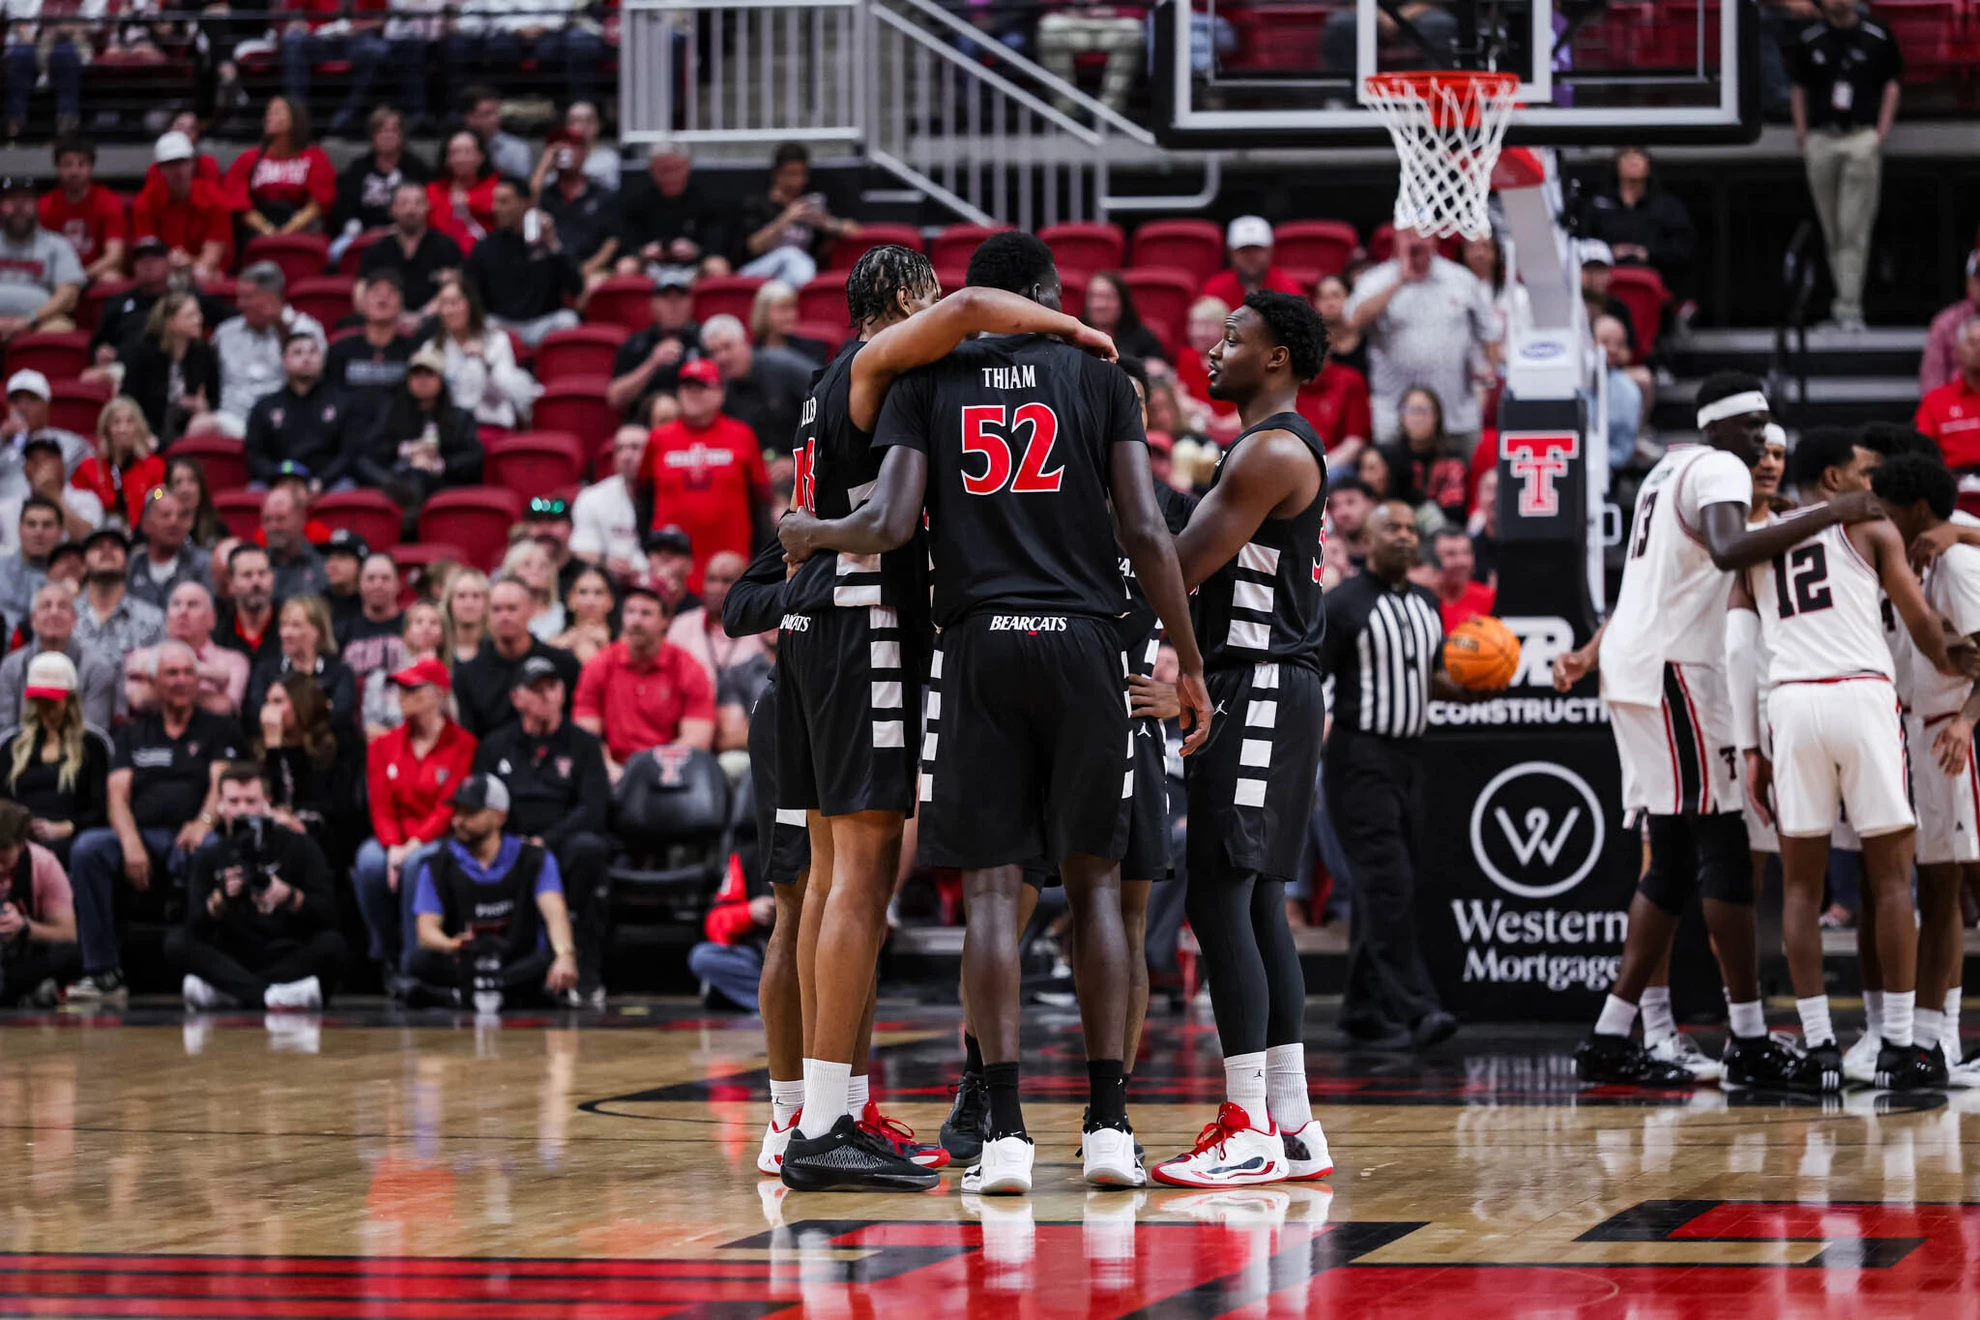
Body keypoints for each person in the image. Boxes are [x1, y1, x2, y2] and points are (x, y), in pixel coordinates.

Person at [775, 231, 1207, 1194]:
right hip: (1085, 643)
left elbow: (893, 522)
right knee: (1099, 890)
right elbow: (1146, 528)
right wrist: (1188, 660)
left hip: (971, 644)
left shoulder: (925, 381)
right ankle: (1108, 1126)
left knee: (982, 896)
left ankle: (999, 1132)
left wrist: (807, 533)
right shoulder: (1102, 376)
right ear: (1047, 297)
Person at [1554, 374, 1890, 1087]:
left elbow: (1669, 575)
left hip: (1647, 667)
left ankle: (1621, 1033)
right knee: (1717, 851)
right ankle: (1740, 1036)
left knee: (1676, 856)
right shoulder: (1718, 467)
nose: (1765, 442)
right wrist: (1836, 512)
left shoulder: (1666, 469)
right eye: (1756, 425)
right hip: (1678, 671)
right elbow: (1730, 549)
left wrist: (1591, 650)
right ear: (1725, 425)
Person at [1731, 435, 1953, 1093]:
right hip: (1861, 694)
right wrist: (1953, 661)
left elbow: (1740, 648)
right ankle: (1901, 1047)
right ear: (1833, 478)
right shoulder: (1871, 529)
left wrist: (1751, 744)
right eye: (1864, 473)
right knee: (1891, 880)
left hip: (1792, 703)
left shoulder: (1756, 541)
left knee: (1801, 887)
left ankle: (1821, 1049)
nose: (1872, 484)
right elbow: (1919, 622)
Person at [1872, 451, 1980, 1084]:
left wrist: (1966, 721)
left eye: (1887, 508)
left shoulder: (1959, 562)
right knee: (1940, 892)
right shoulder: (1919, 561)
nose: (1879, 519)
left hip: (1962, 736)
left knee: (1968, 887)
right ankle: (1933, 1042)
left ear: (1915, 509)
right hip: (1929, 734)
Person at [67, 641, 239, 1004]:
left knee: (210, 849)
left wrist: (204, 821)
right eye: (171, 673)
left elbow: (220, 783)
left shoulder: (218, 728)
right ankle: (102, 972)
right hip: (142, 833)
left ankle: (207, 971)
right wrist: (131, 843)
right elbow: (117, 796)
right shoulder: (133, 734)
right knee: (87, 849)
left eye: (188, 673)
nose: (181, 681)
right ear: (154, 683)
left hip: (190, 833)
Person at [473, 656, 611, 1003]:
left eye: (552, 686)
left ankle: (586, 970)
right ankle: (490, 968)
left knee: (589, 850)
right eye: (536, 689)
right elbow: (481, 802)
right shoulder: (496, 746)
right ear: (517, 698)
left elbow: (594, 808)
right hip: (508, 844)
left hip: (563, 842)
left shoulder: (584, 744)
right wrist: (510, 841)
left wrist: (546, 841)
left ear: (563, 693)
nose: (546, 695)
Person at [167, 761, 345, 1011]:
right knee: (176, 942)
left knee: (332, 945)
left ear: (267, 803)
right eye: (234, 801)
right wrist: (219, 900)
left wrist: (289, 897)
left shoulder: (300, 847)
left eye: (251, 801)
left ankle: (231, 993)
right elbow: (194, 924)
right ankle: (270, 996)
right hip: (233, 954)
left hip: (285, 951)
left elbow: (328, 914)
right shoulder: (211, 855)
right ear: (221, 805)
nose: (242, 810)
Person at [403, 771, 579, 1010]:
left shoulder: (534, 859)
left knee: (548, 958)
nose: (458, 821)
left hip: (514, 957)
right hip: (465, 959)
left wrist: (565, 955)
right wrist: (452, 944)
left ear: (499, 816)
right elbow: (426, 931)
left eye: (470, 812)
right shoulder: (437, 863)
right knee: (417, 961)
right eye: (457, 812)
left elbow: (555, 913)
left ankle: (464, 994)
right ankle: (500, 989)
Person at [352, 657, 476, 978]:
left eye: (412, 689)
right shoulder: (383, 745)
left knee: (418, 864)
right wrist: (393, 845)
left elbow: (449, 806)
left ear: (438, 694)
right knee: (369, 861)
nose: (403, 696)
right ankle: (385, 953)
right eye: (401, 689)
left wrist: (413, 846)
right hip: (395, 838)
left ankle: (414, 961)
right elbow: (381, 805)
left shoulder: (464, 745)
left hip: (441, 837)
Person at [1791, 0, 1902, 331]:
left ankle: (1849, 309)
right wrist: (1803, 134)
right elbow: (1798, 87)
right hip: (1822, 139)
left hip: (1860, 138)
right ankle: (1841, 304)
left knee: (1853, 227)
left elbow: (1892, 82)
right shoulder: (1809, 37)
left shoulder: (1877, 34)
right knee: (1831, 229)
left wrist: (1880, 132)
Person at [1345, 227, 1502, 447]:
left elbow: (1489, 334)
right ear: (1397, 239)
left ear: (1435, 239)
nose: (1417, 241)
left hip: (1456, 416)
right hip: (1394, 416)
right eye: (1409, 235)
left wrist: (1486, 379)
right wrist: (1400, 280)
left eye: (1424, 233)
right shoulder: (1376, 279)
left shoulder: (1461, 279)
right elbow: (1353, 320)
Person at [632, 358, 771, 593]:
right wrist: (650, 549)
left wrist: (759, 559)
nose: (692, 393)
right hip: (671, 570)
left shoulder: (742, 436)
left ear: (719, 394)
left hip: (729, 569)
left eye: (702, 387)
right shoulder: (659, 438)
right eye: (687, 387)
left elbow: (761, 502)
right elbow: (643, 499)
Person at [0, 650, 110, 865]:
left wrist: (68, 827)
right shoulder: (12, 745)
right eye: (39, 700)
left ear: (70, 699)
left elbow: (101, 808)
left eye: (52, 700)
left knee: (77, 850)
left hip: (70, 837)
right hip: (17, 835)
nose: (46, 707)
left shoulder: (93, 745)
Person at [207, 265, 328, 440]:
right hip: (230, 420)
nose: (239, 304)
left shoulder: (306, 331)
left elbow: (313, 380)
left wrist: (281, 331)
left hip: (283, 421)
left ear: (270, 298)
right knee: (201, 426)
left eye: (247, 297)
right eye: (239, 297)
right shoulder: (225, 333)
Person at [454, 578, 581, 739]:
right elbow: (468, 736)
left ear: (531, 610)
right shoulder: (468, 674)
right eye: (496, 609)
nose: (504, 616)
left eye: (512, 609)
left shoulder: (564, 665)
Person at [466, 177, 582, 349]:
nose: (496, 208)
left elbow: (576, 287)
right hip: (503, 326)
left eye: (504, 202)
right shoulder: (485, 247)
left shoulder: (549, 240)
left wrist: (552, 244)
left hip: (542, 324)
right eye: (495, 202)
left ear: (525, 203)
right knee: (482, 324)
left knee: (568, 320)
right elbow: (474, 298)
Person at [1581, 146, 1697, 301]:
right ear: (1616, 165)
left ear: (1649, 166)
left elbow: (1684, 249)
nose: (1633, 160)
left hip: (1656, 290)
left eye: (1639, 155)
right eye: (1626, 155)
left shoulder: (1667, 206)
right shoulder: (1598, 205)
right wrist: (1609, 252)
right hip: (1605, 290)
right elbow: (1582, 243)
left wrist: (1647, 253)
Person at [243, 334, 356, 493]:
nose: (306, 358)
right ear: (284, 361)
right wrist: (278, 479)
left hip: (326, 482)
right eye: (298, 353)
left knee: (346, 489)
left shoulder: (343, 402)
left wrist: (321, 482)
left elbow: (348, 454)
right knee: (255, 491)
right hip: (278, 481)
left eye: (313, 352)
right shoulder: (265, 406)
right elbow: (255, 455)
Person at [735, 143, 859, 287]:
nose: (797, 180)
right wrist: (785, 219)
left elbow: (853, 230)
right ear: (777, 174)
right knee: (791, 255)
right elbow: (752, 247)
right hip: (759, 270)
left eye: (802, 174)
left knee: (798, 263)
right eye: (792, 174)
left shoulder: (808, 207)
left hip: (794, 275)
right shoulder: (758, 204)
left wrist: (826, 223)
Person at [0, 584, 118, 731]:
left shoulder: (98, 668)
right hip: (21, 745)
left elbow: (94, 733)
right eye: (46, 606)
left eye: (62, 606)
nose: (54, 612)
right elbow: (4, 732)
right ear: (33, 621)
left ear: (74, 620)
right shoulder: (11, 666)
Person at [126, 582, 250, 717]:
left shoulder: (233, 661)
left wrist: (161, 682)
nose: (183, 611)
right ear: (167, 618)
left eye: (193, 604)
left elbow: (225, 708)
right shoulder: (139, 657)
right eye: (176, 604)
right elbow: (139, 700)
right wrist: (204, 677)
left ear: (212, 619)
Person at [431, 275, 538, 431]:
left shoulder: (497, 341)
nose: (449, 311)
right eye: (443, 304)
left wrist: (486, 362)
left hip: (491, 422)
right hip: (451, 429)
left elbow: (507, 394)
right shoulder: (432, 348)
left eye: (454, 303)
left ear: (470, 303)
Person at [0, 799, 79, 1006]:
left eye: (4, 859)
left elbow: (68, 934)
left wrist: (24, 927)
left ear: (21, 845)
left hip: (22, 957)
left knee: (73, 954)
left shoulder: (43, 863)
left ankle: (16, 989)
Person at [223, 96, 337, 240]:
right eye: (269, 113)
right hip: (258, 230)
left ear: (295, 118)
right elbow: (238, 202)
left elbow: (318, 204)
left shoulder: (315, 157)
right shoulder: (248, 158)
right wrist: (267, 230)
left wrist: (289, 230)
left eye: (277, 112)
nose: (269, 117)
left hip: (301, 229)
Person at [702, 314, 814, 459]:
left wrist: (797, 460)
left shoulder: (785, 367)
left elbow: (827, 410)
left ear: (745, 342)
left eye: (727, 347)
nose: (721, 358)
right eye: (713, 352)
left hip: (804, 460)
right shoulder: (717, 389)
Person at [254, 670, 347, 844]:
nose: (268, 711)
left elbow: (331, 807)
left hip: (320, 835)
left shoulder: (332, 747)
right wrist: (273, 748)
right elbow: (273, 799)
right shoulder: (261, 749)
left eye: (278, 702)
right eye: (267, 702)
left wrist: (295, 822)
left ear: (301, 703)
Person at [131, 132, 231, 290]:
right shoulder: (145, 202)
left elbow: (211, 257)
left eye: (182, 162)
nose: (178, 170)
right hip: (162, 272)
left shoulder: (215, 199)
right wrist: (171, 263)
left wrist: (188, 262)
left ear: (193, 163)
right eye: (170, 164)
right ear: (160, 169)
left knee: (203, 274)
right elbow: (149, 255)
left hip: (201, 271)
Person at [326, 272, 418, 441]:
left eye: (391, 292)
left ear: (400, 305)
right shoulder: (340, 350)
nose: (383, 298)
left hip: (399, 437)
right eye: (376, 292)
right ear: (363, 304)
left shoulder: (414, 351)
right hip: (348, 436)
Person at [358, 183, 465, 322]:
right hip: (386, 321)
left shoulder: (446, 246)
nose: (411, 209)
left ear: (427, 206)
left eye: (417, 203)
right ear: (392, 209)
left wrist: (420, 317)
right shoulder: (376, 250)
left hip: (436, 321)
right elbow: (361, 291)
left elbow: (456, 287)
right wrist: (392, 317)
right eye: (404, 203)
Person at [245, 594, 356, 726]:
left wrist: (283, 711)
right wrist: (321, 707)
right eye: (283, 625)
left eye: (295, 626)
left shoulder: (339, 673)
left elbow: (340, 716)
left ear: (317, 630)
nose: (286, 633)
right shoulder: (266, 671)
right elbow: (257, 713)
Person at [332, 108, 431, 246]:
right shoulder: (358, 169)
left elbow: (426, 207)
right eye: (382, 130)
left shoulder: (416, 168)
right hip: (363, 235)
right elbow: (345, 209)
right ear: (372, 136)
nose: (388, 135)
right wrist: (363, 232)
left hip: (407, 234)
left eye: (393, 130)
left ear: (402, 135)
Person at [606, 273, 701, 416]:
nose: (673, 305)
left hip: (696, 417)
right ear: (653, 305)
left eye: (679, 298)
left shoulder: (704, 340)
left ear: (691, 304)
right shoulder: (636, 344)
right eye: (666, 299)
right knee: (662, 409)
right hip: (643, 420)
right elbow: (615, 398)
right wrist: (653, 363)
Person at [665, 550, 761, 690]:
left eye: (727, 581)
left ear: (745, 586)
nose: (717, 589)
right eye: (711, 579)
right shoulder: (681, 626)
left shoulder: (760, 629)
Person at [0, 177, 80, 343]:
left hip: (40, 321)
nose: (19, 207)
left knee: (60, 328)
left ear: (37, 206)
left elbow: (68, 295)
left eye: (26, 200)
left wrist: (28, 321)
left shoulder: (57, 244)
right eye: (11, 200)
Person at [534, 142, 622, 292]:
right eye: (559, 150)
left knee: (592, 284)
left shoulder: (603, 195)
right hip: (552, 268)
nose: (566, 154)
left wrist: (585, 269)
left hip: (592, 269)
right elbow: (525, 206)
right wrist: (543, 167)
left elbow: (613, 241)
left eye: (572, 147)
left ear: (585, 153)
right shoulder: (545, 195)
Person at [39, 136, 127, 285]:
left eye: (81, 164)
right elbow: (38, 254)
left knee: (112, 278)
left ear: (91, 168)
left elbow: (114, 256)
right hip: (56, 276)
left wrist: (79, 276)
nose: (74, 171)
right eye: (67, 165)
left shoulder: (108, 201)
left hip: (93, 273)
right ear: (57, 168)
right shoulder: (44, 206)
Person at [72, 399, 165, 531]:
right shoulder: (87, 468)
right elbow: (76, 503)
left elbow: (160, 495)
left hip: (143, 533)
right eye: (116, 422)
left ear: (138, 427)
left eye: (129, 422)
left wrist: (152, 497)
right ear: (106, 429)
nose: (123, 429)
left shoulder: (154, 465)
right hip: (96, 533)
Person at [73, 527, 165, 659]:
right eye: (97, 546)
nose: (107, 551)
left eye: (115, 546)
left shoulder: (153, 620)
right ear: (83, 565)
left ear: (127, 563)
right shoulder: (65, 617)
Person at [1036, 0, 1143, 113]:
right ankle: (1066, 109)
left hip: (1111, 23)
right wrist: (1065, 10)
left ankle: (1109, 111)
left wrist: (1114, 11)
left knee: (1132, 27)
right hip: (1071, 23)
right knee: (1050, 25)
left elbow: (1141, 8)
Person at [362, 600, 448, 740]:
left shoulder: (451, 676)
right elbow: (371, 731)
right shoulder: (381, 678)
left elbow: (451, 728)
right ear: (406, 633)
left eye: (433, 623)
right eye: (418, 622)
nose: (426, 627)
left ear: (443, 635)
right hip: (390, 751)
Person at [570, 425, 646, 579]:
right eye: (619, 449)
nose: (625, 456)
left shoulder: (673, 496)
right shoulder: (592, 497)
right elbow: (581, 549)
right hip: (609, 581)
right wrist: (605, 563)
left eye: (635, 448)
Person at [127, 486, 213, 612]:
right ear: (146, 524)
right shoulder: (131, 566)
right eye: (165, 515)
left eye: (181, 516)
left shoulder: (203, 564)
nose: (174, 522)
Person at [1917, 318, 1980, 472]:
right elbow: (1919, 452)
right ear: (1956, 352)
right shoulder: (1936, 401)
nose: (1979, 349)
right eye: (1972, 343)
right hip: (1953, 480)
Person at [1201, 216, 1304, 308]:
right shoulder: (1214, 291)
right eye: (1244, 251)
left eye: (1257, 250)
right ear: (1231, 252)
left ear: (1270, 250)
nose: (1251, 257)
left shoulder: (1289, 290)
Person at [425, 131, 499, 255]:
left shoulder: (497, 187)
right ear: (447, 160)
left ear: (481, 157)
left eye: (468, 152)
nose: (461, 159)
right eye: (455, 153)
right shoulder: (433, 190)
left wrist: (469, 201)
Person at [336, 553, 406, 684]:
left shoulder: (412, 626)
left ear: (398, 585)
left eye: (385, 578)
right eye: (370, 578)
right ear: (359, 585)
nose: (378, 585)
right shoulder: (342, 632)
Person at [0, 496, 63, 630]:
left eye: (47, 525)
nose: (38, 532)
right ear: (19, 529)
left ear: (60, 532)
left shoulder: (71, 576)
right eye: (31, 524)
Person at [215, 543, 282, 668]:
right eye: (247, 575)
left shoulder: (289, 627)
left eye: (262, 573)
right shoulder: (218, 635)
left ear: (272, 578)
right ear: (231, 582)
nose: (256, 582)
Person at [1923, 254, 1980, 397]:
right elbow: (1932, 383)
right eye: (1979, 280)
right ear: (1969, 282)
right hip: (1956, 404)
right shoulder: (1946, 322)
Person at [1082, 271, 1167, 365]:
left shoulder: (1145, 340)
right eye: (1094, 297)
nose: (1100, 305)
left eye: (1108, 297)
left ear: (1122, 302)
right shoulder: (1075, 337)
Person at [460, 87, 533, 183]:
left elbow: (522, 187)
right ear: (469, 118)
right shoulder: (453, 147)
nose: (495, 119)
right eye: (487, 114)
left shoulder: (516, 149)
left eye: (496, 112)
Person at [1429, 526, 1493, 632]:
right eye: (1450, 554)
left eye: (1466, 552)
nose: (1462, 562)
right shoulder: (1421, 602)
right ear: (1432, 560)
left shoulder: (1488, 598)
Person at [551, 564, 614, 665]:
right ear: (570, 599)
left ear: (610, 601)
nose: (590, 601)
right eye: (583, 592)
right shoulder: (555, 644)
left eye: (598, 593)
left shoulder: (624, 644)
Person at [443, 567, 490, 663]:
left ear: (487, 602)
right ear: (449, 602)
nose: (469, 604)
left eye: (476, 596)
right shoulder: (438, 649)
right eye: (461, 596)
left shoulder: (500, 650)